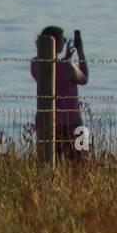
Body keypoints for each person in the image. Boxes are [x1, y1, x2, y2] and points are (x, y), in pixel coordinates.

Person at [31, 26, 88, 161]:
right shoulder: (68, 67)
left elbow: (53, 69)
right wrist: (80, 53)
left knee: (49, 161)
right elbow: (84, 78)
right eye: (63, 39)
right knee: (81, 161)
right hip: (73, 122)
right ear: (56, 43)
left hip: (47, 122)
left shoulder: (35, 64)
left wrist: (65, 60)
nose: (64, 42)